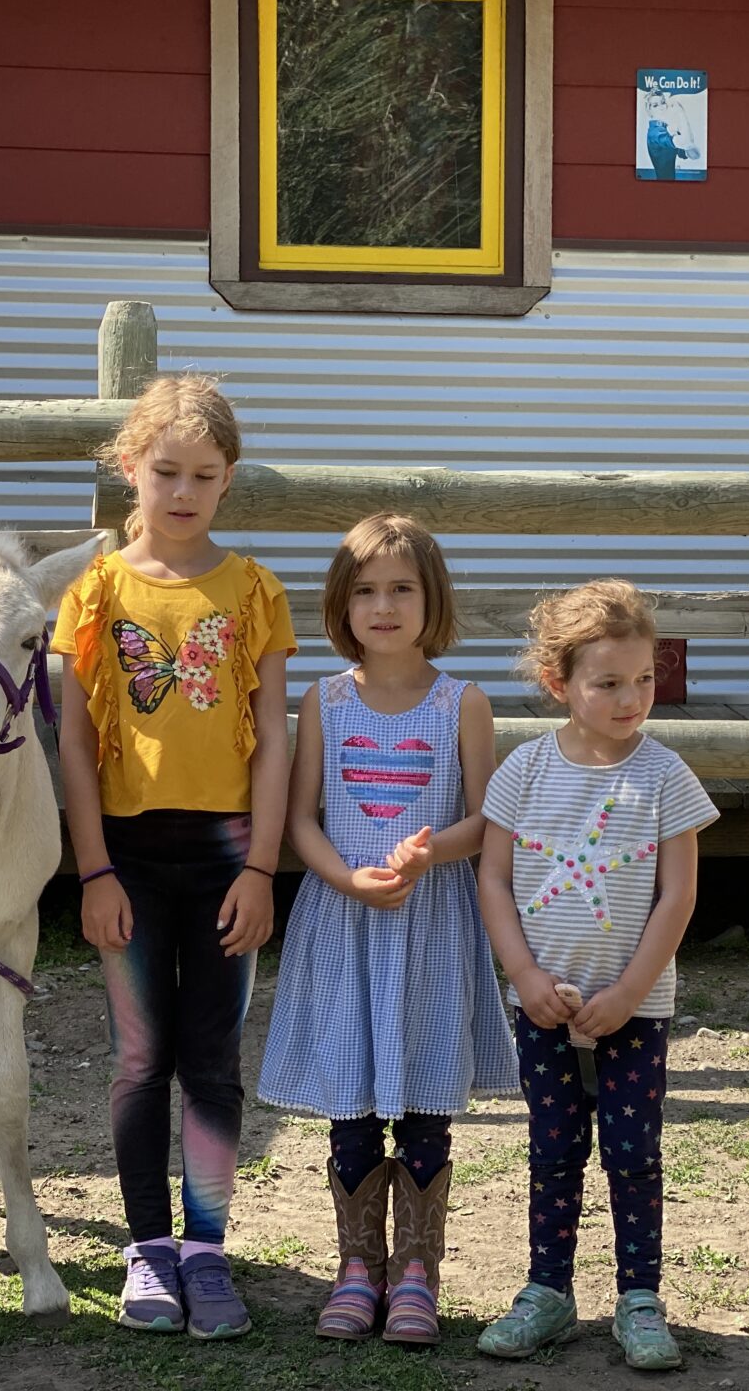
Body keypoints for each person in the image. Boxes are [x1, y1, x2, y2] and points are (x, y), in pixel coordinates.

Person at [52, 375, 294, 1341]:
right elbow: (73, 742)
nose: (183, 491)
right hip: (130, 858)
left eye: (203, 475)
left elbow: (273, 738)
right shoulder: (96, 591)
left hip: (230, 853)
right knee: (142, 1058)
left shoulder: (254, 591)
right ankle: (147, 1252)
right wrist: (93, 870)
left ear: (229, 480)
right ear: (129, 470)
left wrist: (263, 869)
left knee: (214, 1061)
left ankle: (207, 1252)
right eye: (165, 472)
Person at [258, 513, 519, 1345]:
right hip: (346, 922)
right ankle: (355, 1268)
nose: (383, 606)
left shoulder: (462, 704)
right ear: (343, 604)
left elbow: (486, 820)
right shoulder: (325, 700)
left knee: (423, 1098)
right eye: (365, 590)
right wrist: (346, 877)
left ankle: (416, 1272)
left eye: (401, 588)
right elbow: (302, 818)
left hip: (433, 922)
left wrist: (426, 852)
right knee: (353, 1097)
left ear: (430, 599)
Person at [474, 580, 717, 1371]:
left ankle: (639, 1298)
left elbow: (679, 895)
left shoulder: (666, 777)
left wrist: (629, 994)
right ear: (560, 685)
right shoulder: (523, 771)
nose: (630, 698)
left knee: (632, 1149)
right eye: (608, 683)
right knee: (552, 1146)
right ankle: (548, 1291)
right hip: (542, 1003)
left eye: (643, 680)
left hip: (634, 1009)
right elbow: (494, 880)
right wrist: (525, 975)